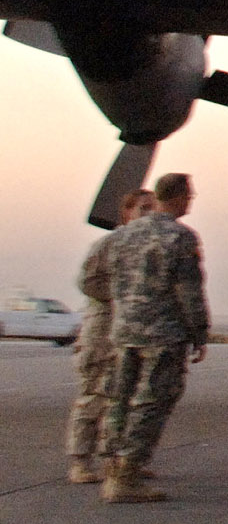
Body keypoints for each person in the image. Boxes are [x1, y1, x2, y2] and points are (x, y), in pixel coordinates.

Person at [100, 174, 209, 504]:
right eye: (189, 196)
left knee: (120, 399)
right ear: (178, 197)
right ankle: (127, 476)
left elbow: (110, 281)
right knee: (152, 403)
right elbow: (189, 291)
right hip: (162, 334)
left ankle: (112, 464)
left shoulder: (123, 235)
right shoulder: (180, 237)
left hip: (125, 331)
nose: (191, 201)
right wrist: (199, 333)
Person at [65, 189, 158, 485]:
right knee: (94, 394)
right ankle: (81, 460)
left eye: (153, 208)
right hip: (103, 328)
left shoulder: (153, 246)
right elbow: (88, 281)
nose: (149, 214)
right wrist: (121, 297)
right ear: (127, 212)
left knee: (125, 399)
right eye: (143, 208)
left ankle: (116, 461)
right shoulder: (110, 243)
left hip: (133, 330)